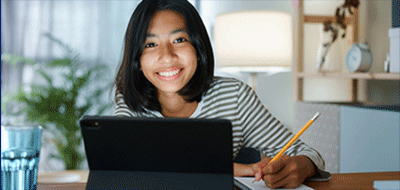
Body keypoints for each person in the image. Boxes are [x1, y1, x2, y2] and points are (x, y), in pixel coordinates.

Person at [113, 0, 329, 188]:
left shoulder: (234, 96)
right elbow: (121, 167)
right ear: (137, 60)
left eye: (179, 40)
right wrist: (237, 169)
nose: (167, 57)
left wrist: (301, 166)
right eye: (151, 44)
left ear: (198, 47)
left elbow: (310, 155)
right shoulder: (129, 99)